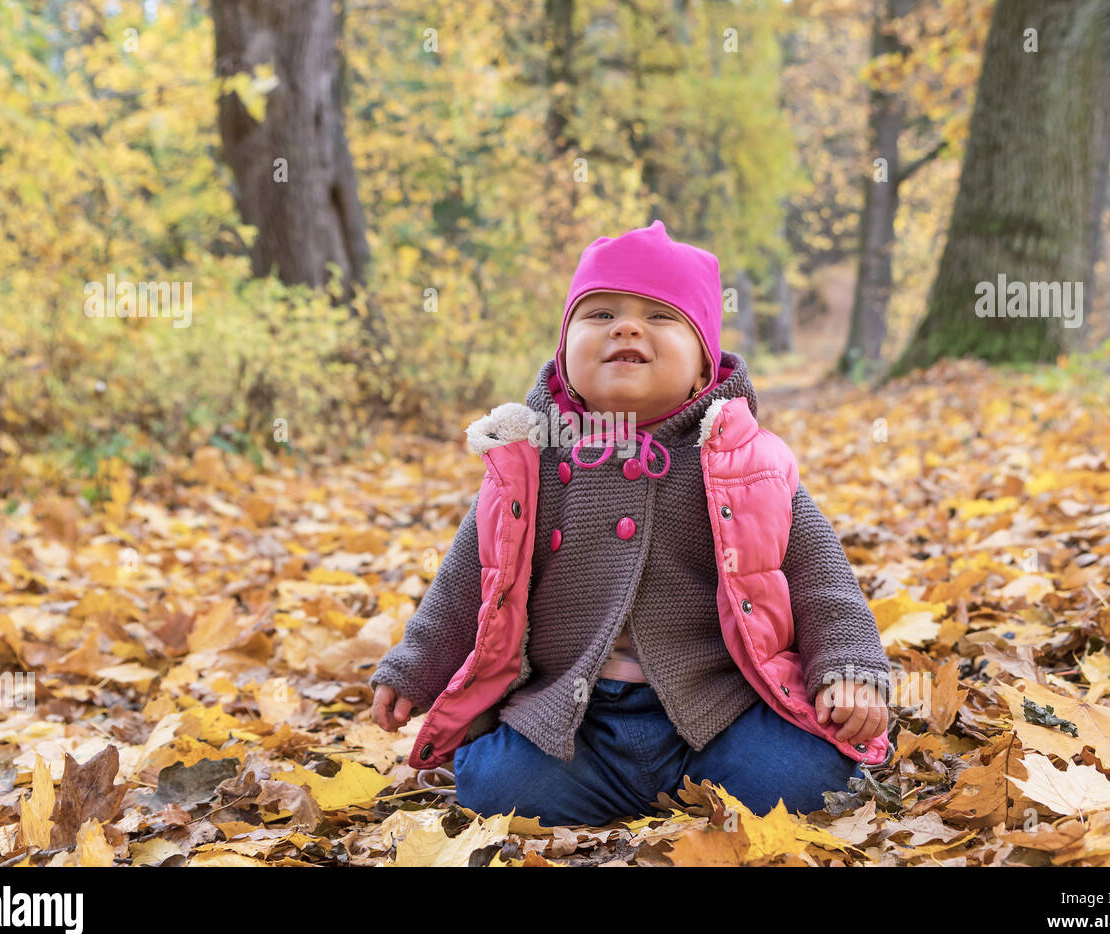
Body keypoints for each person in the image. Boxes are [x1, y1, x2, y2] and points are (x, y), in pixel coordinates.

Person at [368, 220, 892, 827]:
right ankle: (610, 788)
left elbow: (820, 576)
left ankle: (694, 786)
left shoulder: (742, 464)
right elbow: (470, 578)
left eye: (661, 317)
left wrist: (849, 669)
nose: (626, 327)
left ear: (703, 367)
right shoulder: (533, 462)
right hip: (575, 720)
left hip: (719, 710)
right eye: (600, 314)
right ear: (565, 360)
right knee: (493, 786)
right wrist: (415, 667)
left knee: (810, 775)